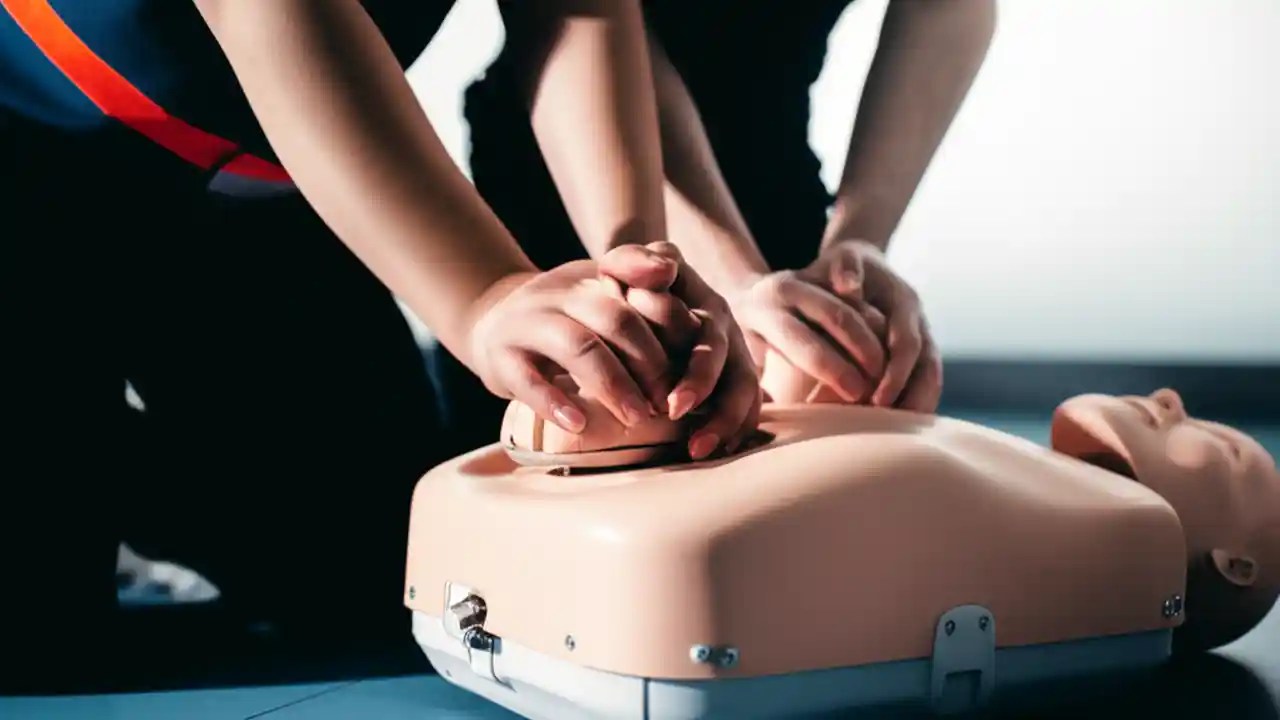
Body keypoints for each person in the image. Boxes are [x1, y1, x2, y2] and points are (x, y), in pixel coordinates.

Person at [0, 0, 758, 688]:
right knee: (38, 647)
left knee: (360, 579)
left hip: (247, 199)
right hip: (26, 161)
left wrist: (634, 272)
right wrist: (485, 297)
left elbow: (578, 13)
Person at [446, 0, 998, 441]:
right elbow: (586, 18)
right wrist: (710, 277)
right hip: (563, 171)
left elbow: (944, 7)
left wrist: (859, 242)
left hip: (774, 171)